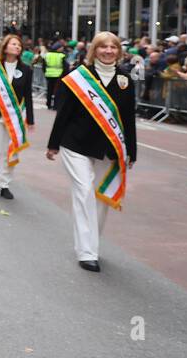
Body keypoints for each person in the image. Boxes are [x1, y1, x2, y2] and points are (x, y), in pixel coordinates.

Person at [46, 32, 136, 273]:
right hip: (75, 144)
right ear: (94, 50)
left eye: (113, 47)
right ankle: (87, 252)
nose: (108, 51)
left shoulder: (125, 80)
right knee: (84, 190)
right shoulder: (77, 78)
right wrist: (53, 144)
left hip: (108, 148)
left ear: (119, 51)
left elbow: (128, 119)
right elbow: (62, 113)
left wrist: (131, 151)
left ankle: (92, 244)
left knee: (99, 197)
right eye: (103, 47)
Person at [0, 33, 34, 200]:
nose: (17, 47)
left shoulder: (26, 70)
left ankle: (5, 184)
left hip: (15, 118)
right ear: (5, 47)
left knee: (11, 152)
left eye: (19, 45)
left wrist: (30, 119)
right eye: (13, 44)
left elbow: (28, 95)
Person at [43, 42, 67, 109]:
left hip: (49, 75)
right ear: (58, 48)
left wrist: (45, 73)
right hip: (58, 75)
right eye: (61, 47)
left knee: (49, 90)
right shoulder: (61, 56)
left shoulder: (47, 55)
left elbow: (44, 66)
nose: (62, 48)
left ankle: (48, 104)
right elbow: (65, 67)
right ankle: (55, 106)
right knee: (57, 91)